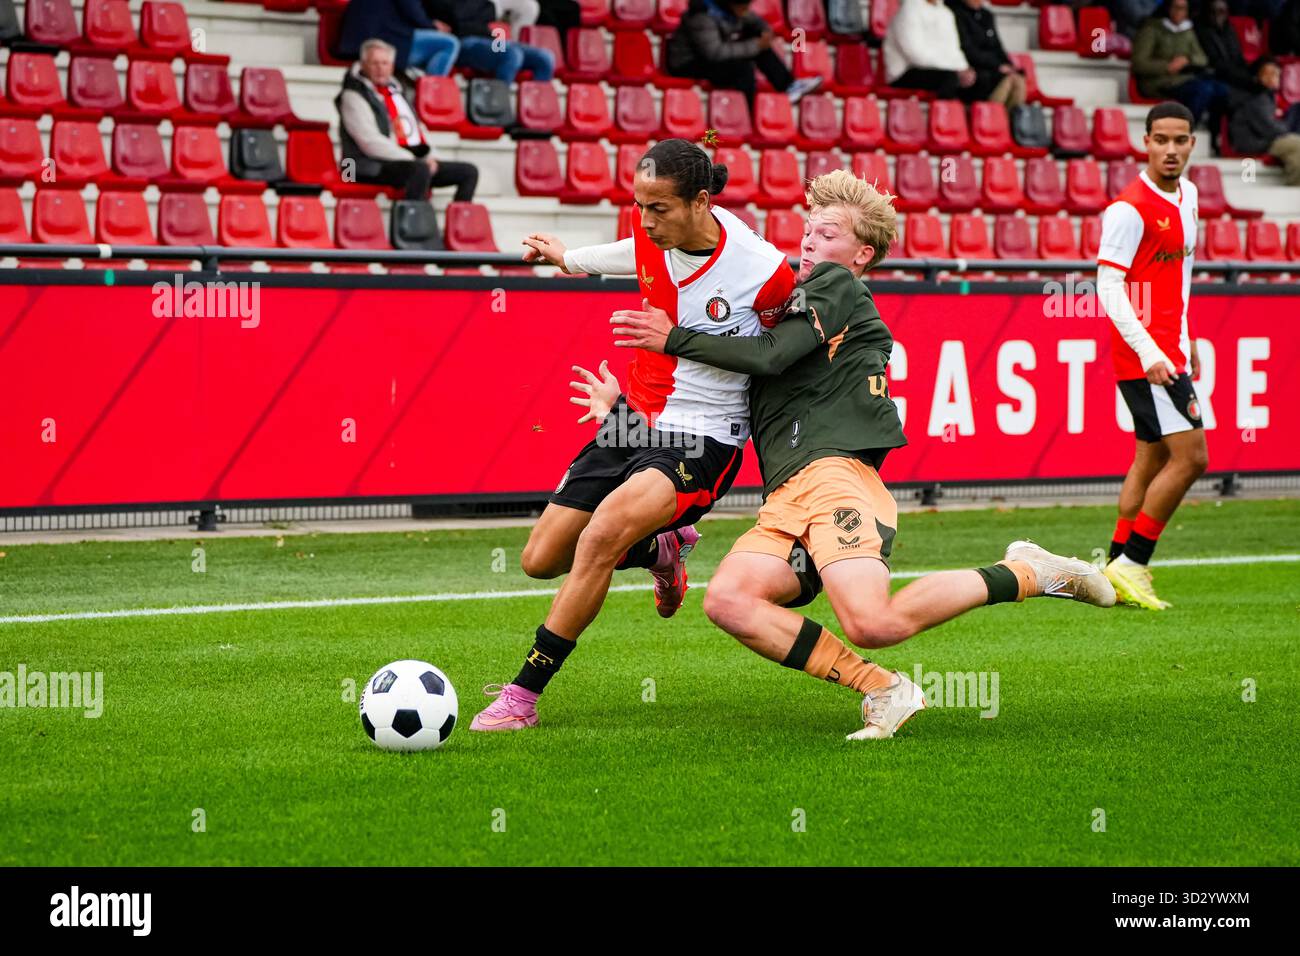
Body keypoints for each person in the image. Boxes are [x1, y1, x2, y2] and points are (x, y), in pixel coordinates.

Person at [590, 169, 1115, 740]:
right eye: (808, 230)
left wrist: (672, 338)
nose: (811, 241)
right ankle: (882, 688)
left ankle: (1030, 572)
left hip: (834, 475)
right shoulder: (790, 299)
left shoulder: (837, 285)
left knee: (872, 620)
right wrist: (630, 412)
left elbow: (767, 357)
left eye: (829, 233)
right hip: (790, 493)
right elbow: (719, 390)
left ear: (862, 253)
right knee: (730, 600)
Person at [468, 138, 797, 732]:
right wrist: (569, 259)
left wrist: (679, 339)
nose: (646, 222)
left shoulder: (762, 270)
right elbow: (633, 251)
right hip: (631, 422)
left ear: (701, 201)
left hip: (703, 438)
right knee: (540, 560)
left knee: (596, 540)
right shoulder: (653, 233)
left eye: (659, 209)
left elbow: (776, 357)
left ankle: (523, 695)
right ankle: (661, 551)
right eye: (639, 206)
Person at [1096, 101, 1209, 610]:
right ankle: (1134, 564)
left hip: (1170, 349)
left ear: (1191, 144)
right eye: (1160, 139)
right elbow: (1108, 288)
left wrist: (1188, 342)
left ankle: (1115, 564)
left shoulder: (1190, 196)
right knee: (1193, 458)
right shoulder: (1127, 208)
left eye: (1179, 139)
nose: (1170, 148)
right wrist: (1152, 352)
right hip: (1145, 356)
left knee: (1153, 454)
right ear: (1145, 142)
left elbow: (1177, 283)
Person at [336, 39, 480, 201]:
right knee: (419, 171)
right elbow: (369, 141)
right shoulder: (352, 95)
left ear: (391, 66)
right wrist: (413, 159)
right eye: (374, 63)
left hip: (404, 161)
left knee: (468, 172)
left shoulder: (397, 92)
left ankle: (459, 221)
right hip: (358, 167)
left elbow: (416, 131)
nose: (380, 68)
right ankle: (412, 223)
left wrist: (431, 158)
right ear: (363, 65)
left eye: (385, 63)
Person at [664, 0, 823, 107]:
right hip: (687, 63)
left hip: (709, 57)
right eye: (743, 7)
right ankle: (749, 111)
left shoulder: (730, 9)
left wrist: (763, 32)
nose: (746, 11)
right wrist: (756, 45)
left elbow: (754, 21)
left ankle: (788, 85)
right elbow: (714, 53)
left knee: (755, 41)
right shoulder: (701, 17)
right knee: (742, 68)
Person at [1132, 0, 1230, 137]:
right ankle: (1183, 131)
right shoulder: (1151, 29)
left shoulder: (1187, 31)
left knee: (1222, 90)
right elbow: (1138, 63)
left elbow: (1202, 58)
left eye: (1183, 8)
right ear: (1168, 8)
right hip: (1157, 81)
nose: (1179, 12)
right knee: (1203, 90)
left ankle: (1214, 135)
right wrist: (1167, 66)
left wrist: (1187, 60)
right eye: (1176, 7)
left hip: (1181, 79)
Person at [432, 0, 556, 82]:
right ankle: (498, 109)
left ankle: (536, 110)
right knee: (511, 55)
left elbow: (490, 12)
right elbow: (459, 15)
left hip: (488, 39)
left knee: (544, 57)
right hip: (463, 42)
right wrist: (482, 7)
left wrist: (482, 8)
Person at [338, 0, 460, 77]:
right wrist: (432, 26)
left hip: (357, 40)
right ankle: (431, 96)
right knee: (449, 43)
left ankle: (419, 83)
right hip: (379, 39)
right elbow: (412, 11)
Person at [884, 0, 976, 101]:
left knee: (979, 79)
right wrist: (953, 69)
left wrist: (963, 68)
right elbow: (915, 54)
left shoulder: (946, 14)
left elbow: (953, 48)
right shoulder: (908, 10)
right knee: (948, 78)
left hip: (942, 70)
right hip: (905, 73)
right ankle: (943, 113)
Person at [1227, 57, 1300, 184]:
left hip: (1263, 138)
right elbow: (1269, 128)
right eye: (1268, 73)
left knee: (1294, 148)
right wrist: (1289, 130)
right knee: (1296, 144)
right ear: (1257, 76)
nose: (1273, 77)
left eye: (1276, 74)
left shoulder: (1266, 96)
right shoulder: (1256, 97)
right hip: (1254, 141)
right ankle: (1294, 186)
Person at [946, 0, 1027, 107]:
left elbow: (997, 47)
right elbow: (967, 50)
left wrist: (1008, 65)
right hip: (974, 70)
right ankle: (992, 117)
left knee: (1018, 80)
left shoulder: (987, 15)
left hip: (992, 70)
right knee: (1008, 80)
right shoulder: (956, 13)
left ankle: (1007, 120)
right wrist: (998, 66)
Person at [1194, 0, 1254, 93]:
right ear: (1207, 13)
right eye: (1213, 12)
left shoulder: (1229, 28)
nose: (1217, 16)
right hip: (1215, 73)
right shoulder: (1202, 31)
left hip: (1233, 70)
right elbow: (1215, 62)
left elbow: (1238, 56)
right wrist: (1244, 76)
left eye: (1221, 11)